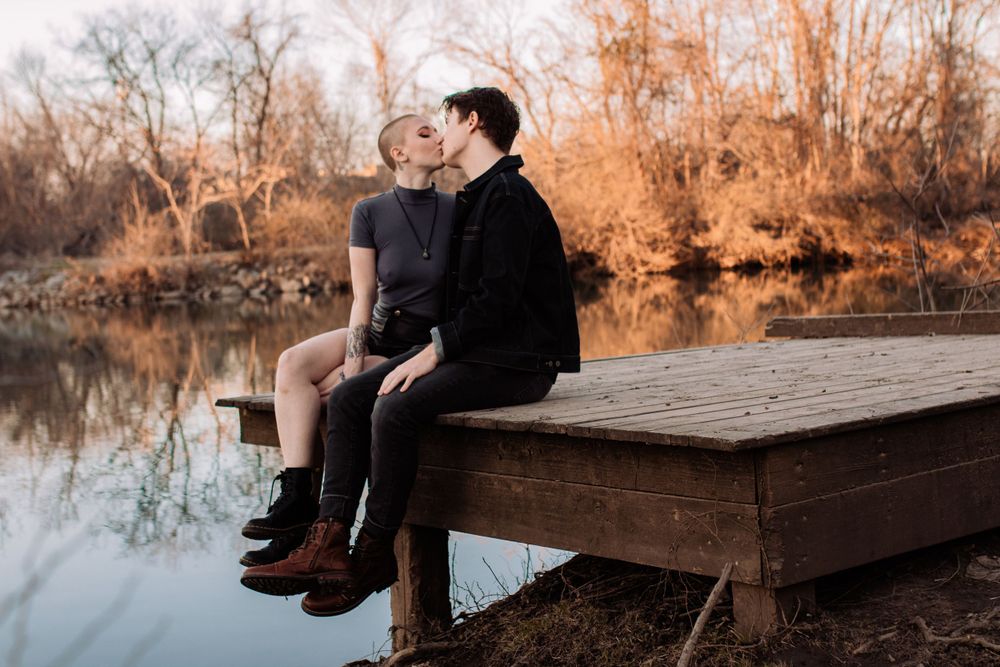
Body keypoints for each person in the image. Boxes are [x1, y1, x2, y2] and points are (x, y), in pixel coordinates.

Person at [240, 87, 581, 618]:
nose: (441, 134)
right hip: (478, 350)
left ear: (472, 122)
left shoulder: (509, 196)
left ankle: (372, 554)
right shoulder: (478, 195)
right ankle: (326, 542)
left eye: (445, 121)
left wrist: (432, 352)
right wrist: (408, 353)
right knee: (354, 395)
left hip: (519, 362)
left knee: (392, 407)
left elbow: (499, 301)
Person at [239, 114, 455, 567]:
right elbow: (363, 298)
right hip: (378, 332)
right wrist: (351, 370)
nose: (439, 137)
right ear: (398, 153)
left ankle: (312, 526)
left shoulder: (460, 209)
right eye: (425, 133)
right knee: (292, 363)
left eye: (438, 130)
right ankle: (297, 498)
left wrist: (347, 384)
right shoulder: (369, 211)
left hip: (422, 347)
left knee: (327, 395)